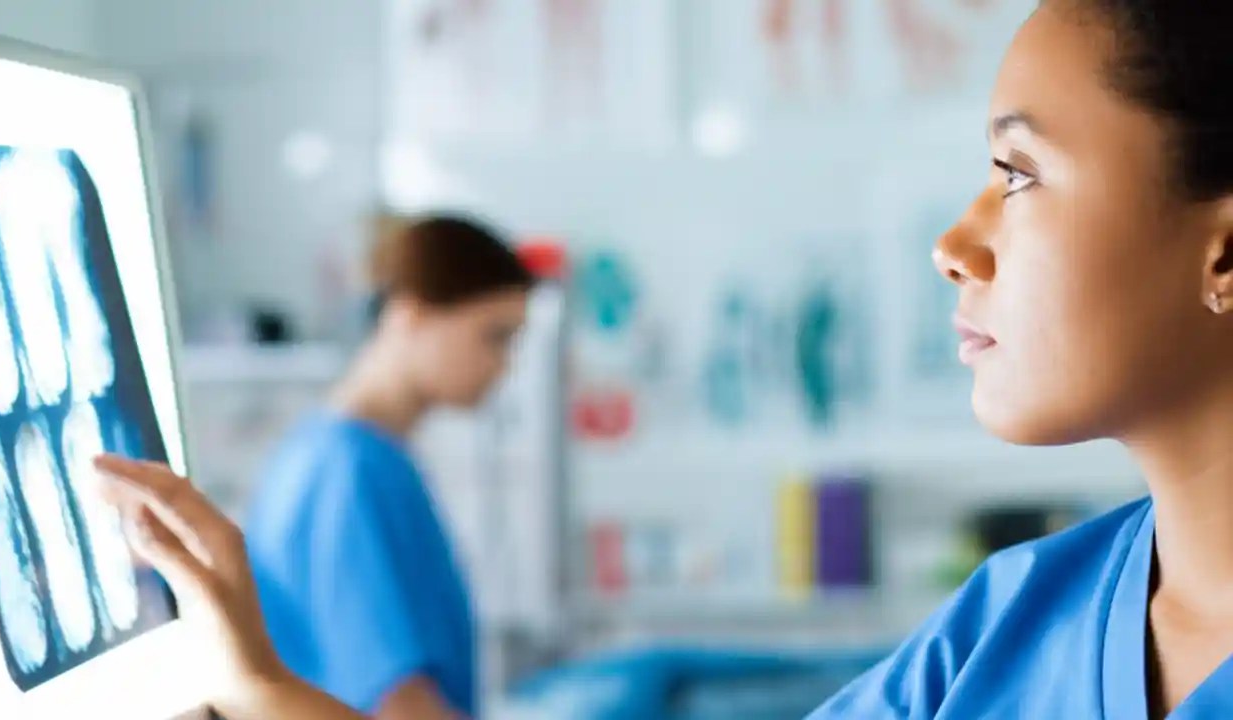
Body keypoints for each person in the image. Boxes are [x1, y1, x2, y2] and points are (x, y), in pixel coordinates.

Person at [92, 0, 1233, 717]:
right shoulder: (1007, 625)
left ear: (1223, 251)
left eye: (1018, 174)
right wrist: (259, 688)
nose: (951, 244)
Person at [241, 215, 534, 719]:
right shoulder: (346, 470)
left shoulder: (356, 456)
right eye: (495, 336)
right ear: (411, 314)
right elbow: (400, 705)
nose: (504, 365)